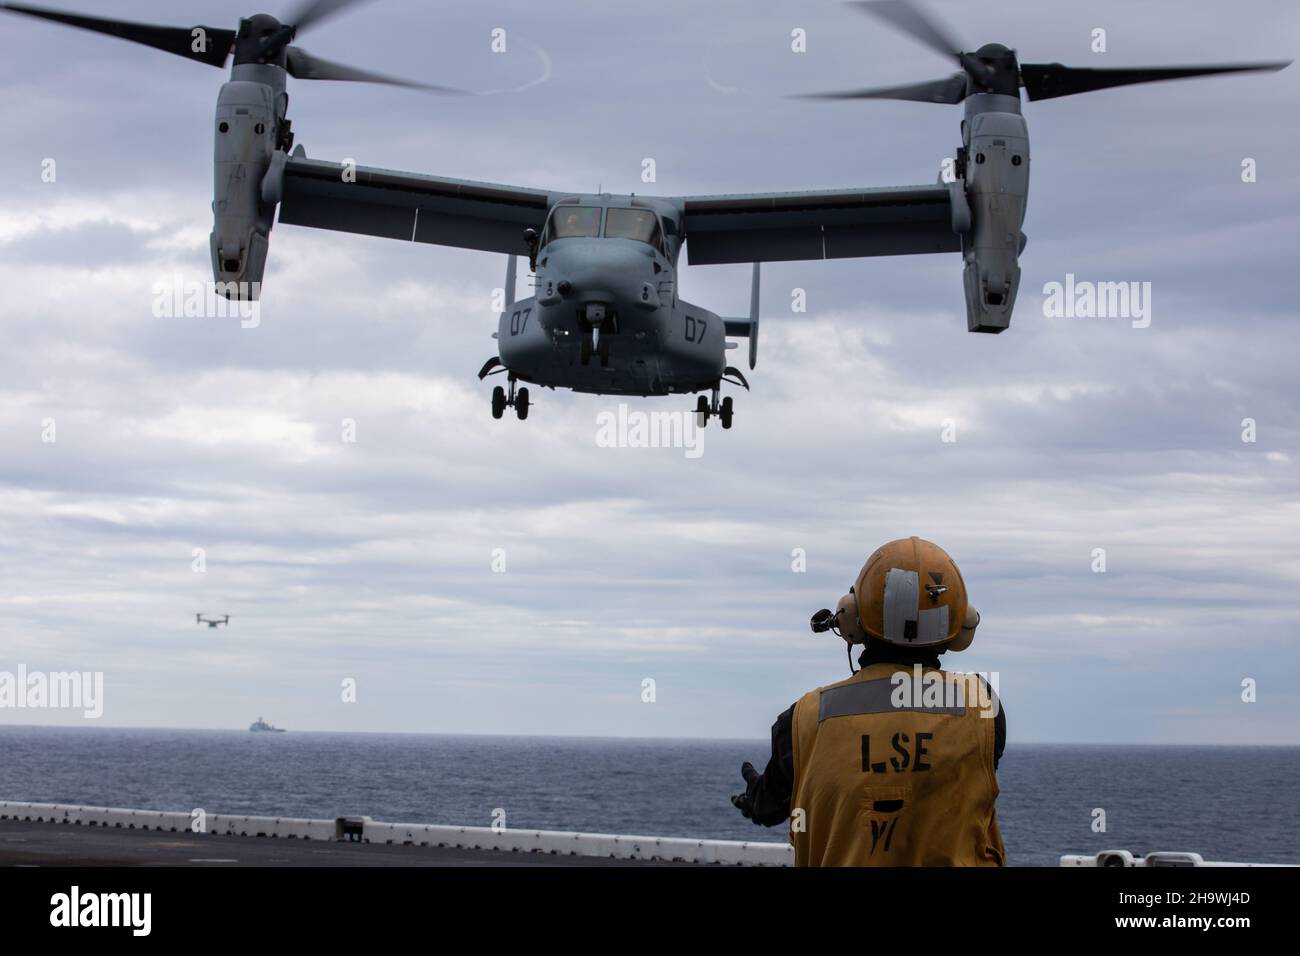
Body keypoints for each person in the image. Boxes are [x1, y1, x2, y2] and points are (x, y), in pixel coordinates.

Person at [731, 536, 1006, 866]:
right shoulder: (983, 708)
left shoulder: (803, 718)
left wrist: (755, 797)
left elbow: (769, 808)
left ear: (851, 617)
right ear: (959, 623)